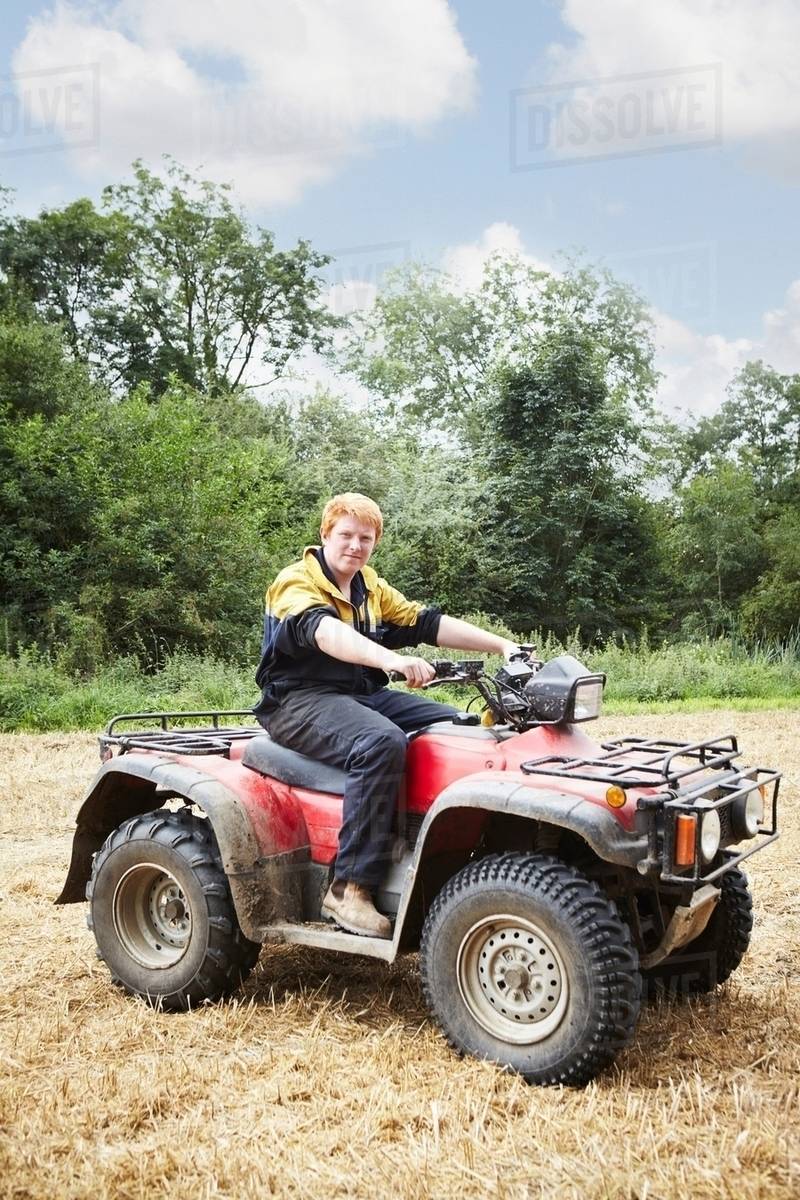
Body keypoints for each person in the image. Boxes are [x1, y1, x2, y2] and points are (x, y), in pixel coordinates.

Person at [254, 493, 520, 938]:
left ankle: (434, 847)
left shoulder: (369, 587)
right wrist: (390, 660)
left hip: (359, 694)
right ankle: (348, 889)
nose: (355, 546)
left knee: (459, 728)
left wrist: (503, 645)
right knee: (378, 742)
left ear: (375, 542)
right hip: (296, 700)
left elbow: (426, 622)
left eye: (366, 538)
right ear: (325, 534)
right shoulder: (295, 582)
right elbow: (324, 632)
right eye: (346, 535)